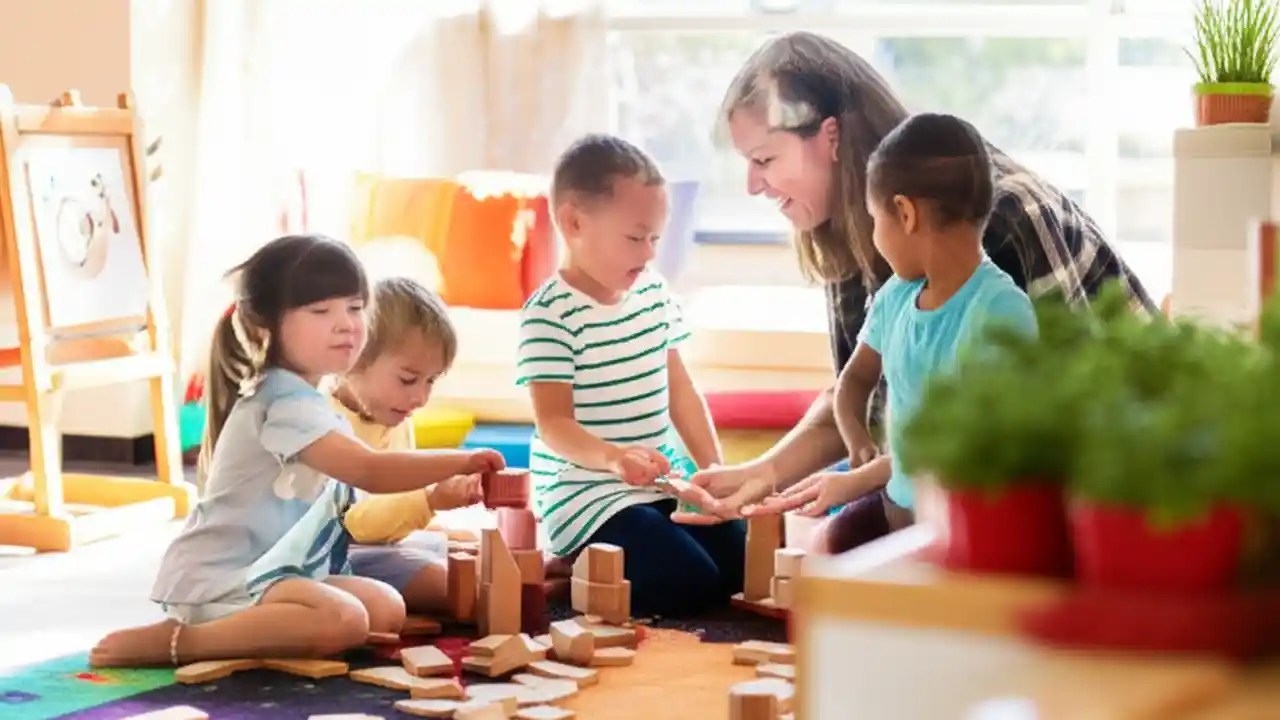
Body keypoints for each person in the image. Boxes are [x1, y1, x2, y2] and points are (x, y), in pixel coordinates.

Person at [691, 30, 1157, 553]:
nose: (753, 185)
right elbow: (865, 398)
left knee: (851, 558)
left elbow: (1009, 435)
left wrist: (859, 487)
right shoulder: (867, 228)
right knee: (832, 552)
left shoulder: (989, 225)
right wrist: (762, 471)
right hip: (947, 472)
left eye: (764, 159)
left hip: (1090, 472)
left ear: (829, 138)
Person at [90, 235, 504, 668]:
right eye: (321, 311)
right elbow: (370, 470)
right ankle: (183, 641)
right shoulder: (283, 404)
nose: (345, 323)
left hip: (278, 568)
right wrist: (462, 459)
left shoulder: (310, 398)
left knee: (385, 608)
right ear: (264, 328)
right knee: (344, 620)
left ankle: (273, 628)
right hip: (228, 574)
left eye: (355, 307)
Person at [745, 113, 1037, 530]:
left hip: (962, 526)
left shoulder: (999, 312)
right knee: (823, 552)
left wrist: (857, 479)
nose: (875, 238)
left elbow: (964, 445)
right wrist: (857, 440)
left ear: (904, 213)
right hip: (895, 501)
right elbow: (853, 382)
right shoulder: (895, 297)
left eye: (874, 219)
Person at [516, 134, 744, 618]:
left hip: (659, 484)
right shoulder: (549, 314)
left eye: (655, 239)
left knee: (739, 563)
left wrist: (715, 470)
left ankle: (611, 563)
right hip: (589, 495)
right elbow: (554, 424)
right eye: (635, 238)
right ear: (574, 223)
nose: (648, 254)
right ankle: (574, 566)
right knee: (689, 585)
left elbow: (681, 392)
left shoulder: (654, 294)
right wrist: (613, 459)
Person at [332, 276, 483, 614]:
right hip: (333, 551)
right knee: (450, 583)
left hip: (380, 543)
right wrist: (430, 500)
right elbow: (355, 524)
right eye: (407, 379)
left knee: (478, 552)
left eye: (431, 381)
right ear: (352, 361)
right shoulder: (326, 424)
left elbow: (394, 510)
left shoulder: (396, 415)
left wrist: (438, 515)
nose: (421, 397)